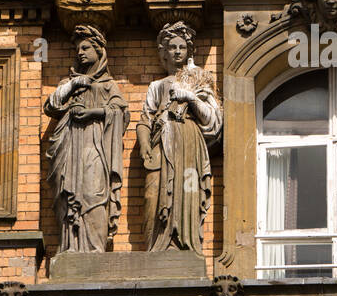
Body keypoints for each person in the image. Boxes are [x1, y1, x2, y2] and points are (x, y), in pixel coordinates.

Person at [137, 22, 223, 252]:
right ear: (164, 52)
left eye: (182, 47)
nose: (177, 52)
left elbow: (212, 121)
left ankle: (184, 243)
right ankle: (156, 245)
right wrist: (144, 143)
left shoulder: (200, 81)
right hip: (161, 144)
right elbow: (144, 119)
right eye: (172, 47)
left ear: (189, 51)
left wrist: (191, 97)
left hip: (188, 142)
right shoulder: (157, 86)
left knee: (188, 189)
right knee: (152, 192)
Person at [44, 25, 127, 253]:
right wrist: (72, 85)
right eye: (77, 49)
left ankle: (94, 249)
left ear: (99, 51)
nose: (80, 52)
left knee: (94, 193)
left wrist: (94, 113)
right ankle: (70, 247)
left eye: (86, 48)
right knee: (69, 195)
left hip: (96, 146)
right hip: (71, 147)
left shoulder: (109, 86)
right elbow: (51, 106)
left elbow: (122, 114)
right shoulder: (71, 83)